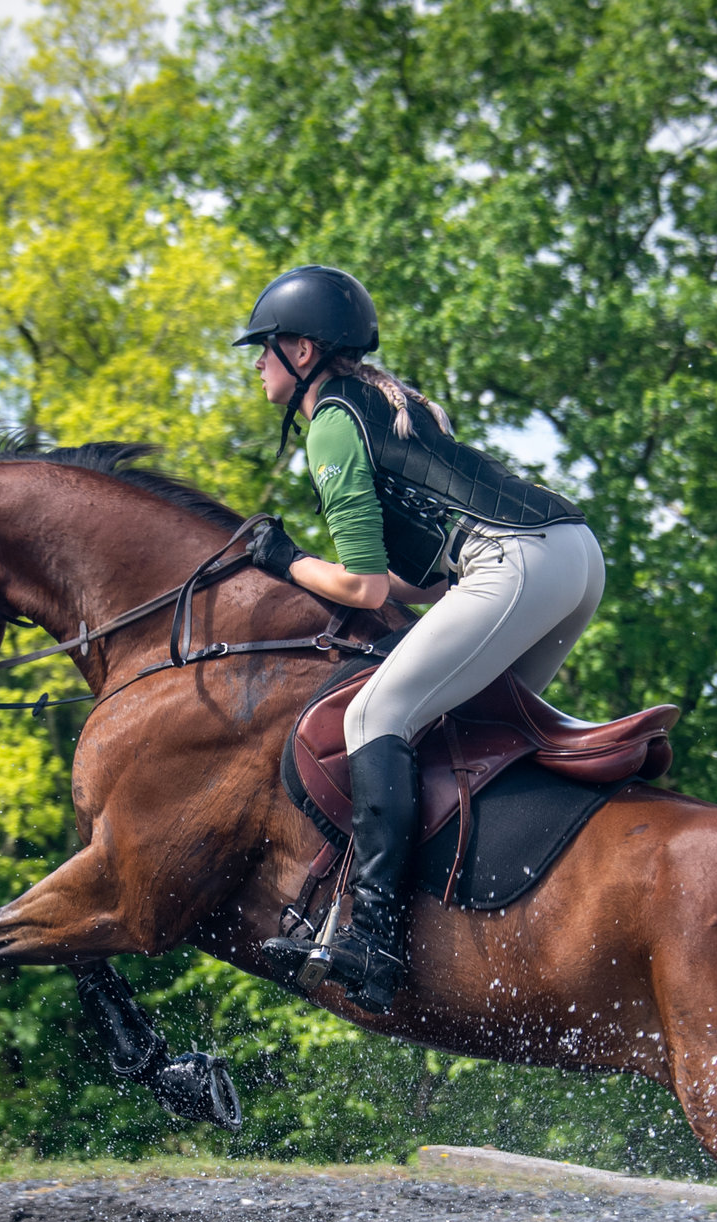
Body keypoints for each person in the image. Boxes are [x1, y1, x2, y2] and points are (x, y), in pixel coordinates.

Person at [237, 265, 605, 1014]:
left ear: (302, 352)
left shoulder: (334, 421)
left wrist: (286, 560)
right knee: (470, 730)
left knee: (375, 718)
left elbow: (365, 590)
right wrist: (319, 567)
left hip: (519, 561)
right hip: (570, 554)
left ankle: (374, 934)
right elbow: (418, 587)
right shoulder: (376, 400)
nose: (256, 364)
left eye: (264, 349)